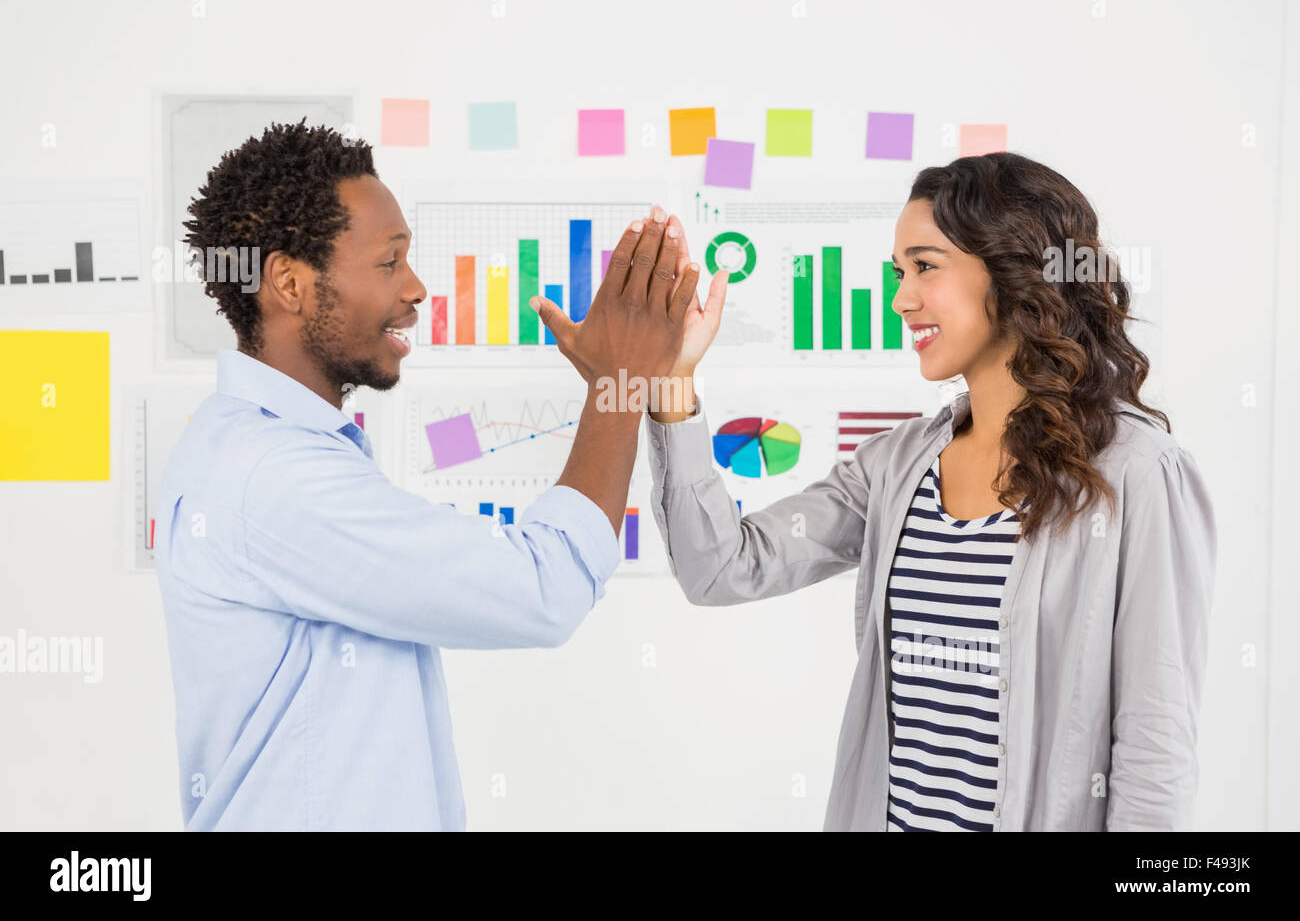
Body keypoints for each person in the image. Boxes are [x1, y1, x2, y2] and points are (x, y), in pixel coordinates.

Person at [630, 152, 1217, 831]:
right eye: (898, 274)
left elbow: (1155, 749)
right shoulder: (896, 466)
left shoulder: (1138, 475)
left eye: (925, 267)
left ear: (1014, 269)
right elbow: (720, 569)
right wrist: (675, 382)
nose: (900, 298)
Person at [155, 120, 704, 830]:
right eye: (389, 262)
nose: (416, 288)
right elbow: (546, 587)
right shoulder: (272, 476)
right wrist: (619, 381)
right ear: (288, 283)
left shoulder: (252, 446)